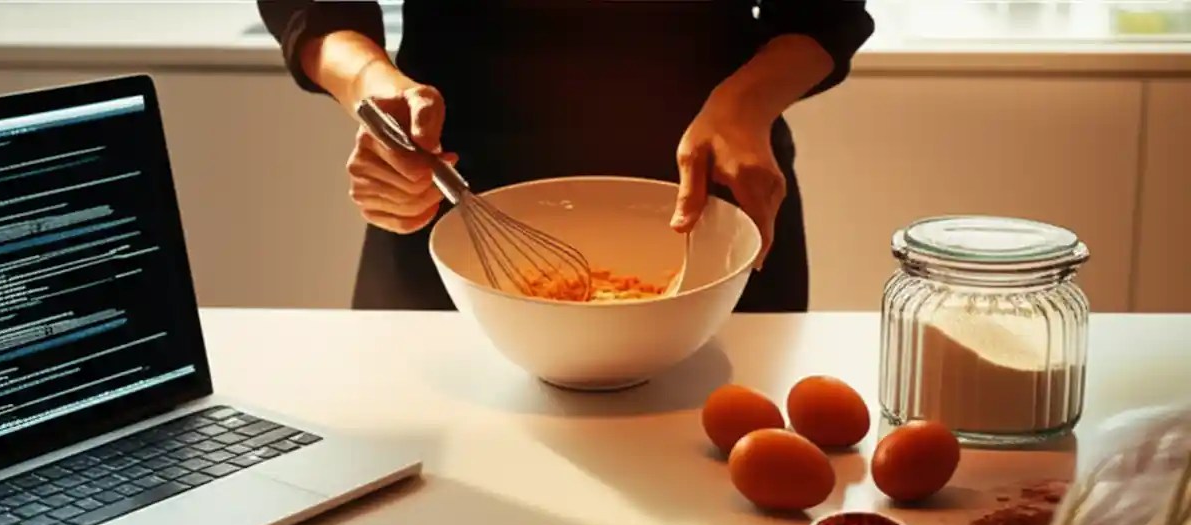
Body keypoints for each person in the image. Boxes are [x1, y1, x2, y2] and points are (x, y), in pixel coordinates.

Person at [257, 1, 873, 312]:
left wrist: (744, 105)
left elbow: (822, 14)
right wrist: (369, 83)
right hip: (449, 189)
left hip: (707, 186)